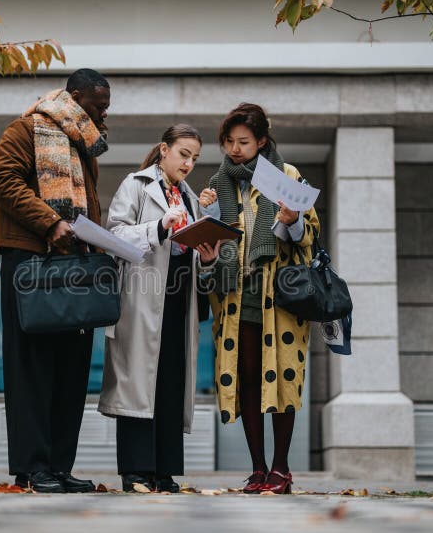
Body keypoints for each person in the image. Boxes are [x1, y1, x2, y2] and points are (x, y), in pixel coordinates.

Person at [0, 68, 110, 493]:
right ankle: (32, 468)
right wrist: (50, 222)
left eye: (106, 107)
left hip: (74, 265)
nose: (104, 114)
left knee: (71, 370)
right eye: (98, 105)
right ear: (74, 97)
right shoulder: (24, 130)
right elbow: (2, 181)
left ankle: (58, 467)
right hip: (31, 262)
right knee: (32, 368)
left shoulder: (83, 145)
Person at [199, 103, 320, 494]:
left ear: (262, 141)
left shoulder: (286, 176)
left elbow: (310, 234)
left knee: (283, 378)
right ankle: (258, 469)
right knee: (248, 380)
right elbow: (215, 238)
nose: (235, 149)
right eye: (229, 142)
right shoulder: (219, 183)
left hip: (280, 296)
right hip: (235, 297)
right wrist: (206, 213)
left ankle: (281, 470)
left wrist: (292, 222)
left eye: (244, 142)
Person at [98, 124, 219, 493]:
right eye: (183, 154)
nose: (189, 163)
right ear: (164, 150)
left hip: (180, 298)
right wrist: (159, 228)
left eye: (195, 158)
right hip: (141, 299)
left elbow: (192, 253)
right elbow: (114, 236)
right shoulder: (135, 185)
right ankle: (136, 471)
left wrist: (208, 259)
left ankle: (164, 471)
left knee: (170, 381)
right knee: (139, 382)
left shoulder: (191, 198)